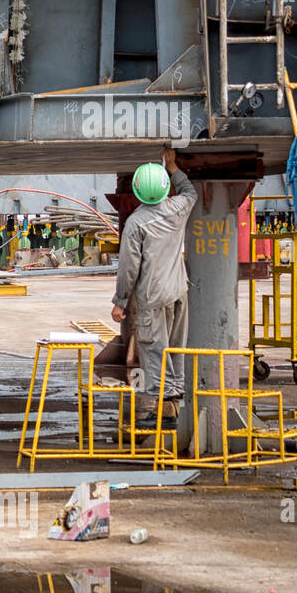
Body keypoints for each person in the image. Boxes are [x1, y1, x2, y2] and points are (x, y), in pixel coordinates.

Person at [111, 147, 197, 428]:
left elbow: (129, 267)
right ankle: (175, 401)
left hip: (152, 296)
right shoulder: (178, 209)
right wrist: (173, 167)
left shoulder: (136, 223)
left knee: (153, 349)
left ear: (136, 191)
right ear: (163, 189)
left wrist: (120, 301)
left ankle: (165, 410)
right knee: (175, 347)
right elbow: (189, 191)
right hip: (178, 291)